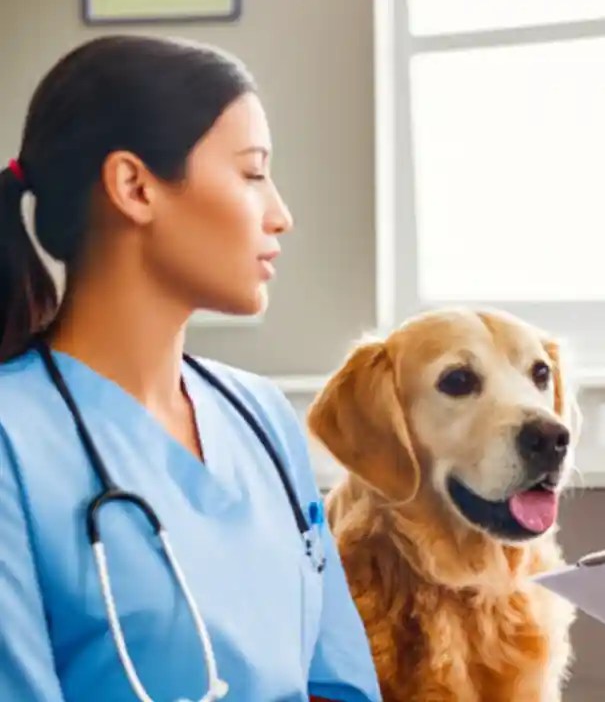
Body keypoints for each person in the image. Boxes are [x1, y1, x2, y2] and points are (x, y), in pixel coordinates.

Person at [0, 35, 381, 701]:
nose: (281, 215)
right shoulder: (14, 440)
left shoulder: (262, 417)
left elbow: (335, 683)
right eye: (253, 172)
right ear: (134, 186)